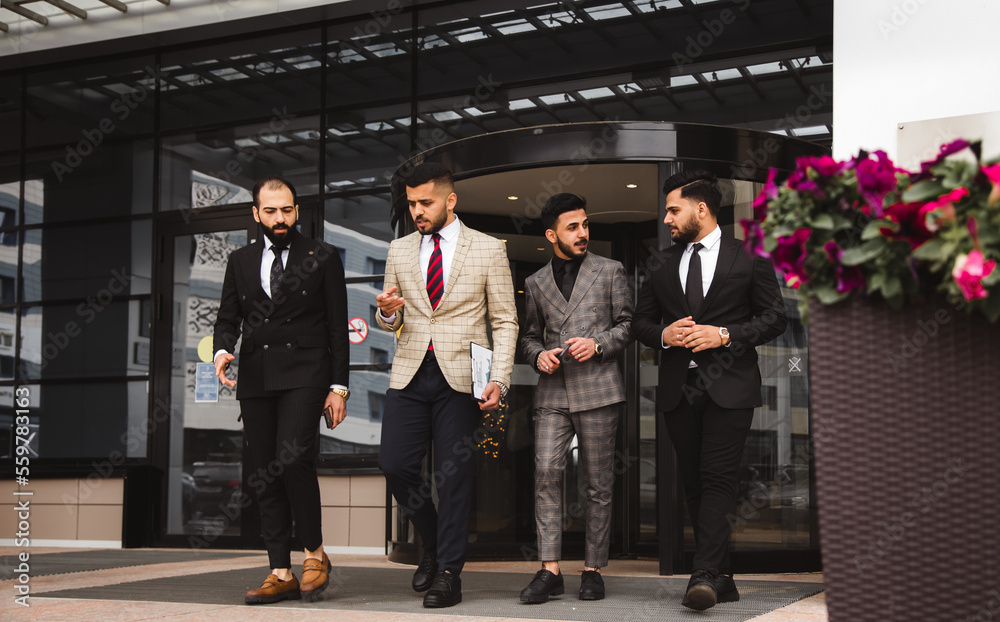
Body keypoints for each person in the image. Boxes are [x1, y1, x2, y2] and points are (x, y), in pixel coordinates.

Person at [633, 170, 787, 611]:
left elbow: (774, 317)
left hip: (730, 386)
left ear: (701, 209)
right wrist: (666, 335)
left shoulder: (750, 256)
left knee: (719, 477)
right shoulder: (660, 262)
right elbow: (642, 323)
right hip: (679, 389)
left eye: (673, 210)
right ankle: (724, 577)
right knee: (695, 483)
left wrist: (724, 334)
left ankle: (701, 575)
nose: (667, 219)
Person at [375, 162, 518, 608]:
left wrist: (500, 379)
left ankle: (449, 574)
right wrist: (386, 312)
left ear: (450, 200)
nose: (416, 210)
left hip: (461, 378)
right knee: (394, 463)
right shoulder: (399, 249)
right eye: (411, 203)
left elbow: (505, 320)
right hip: (410, 372)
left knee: (452, 477)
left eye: (425, 202)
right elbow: (391, 320)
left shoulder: (489, 249)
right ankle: (435, 545)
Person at [213, 176, 349, 605]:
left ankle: (314, 553)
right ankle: (279, 570)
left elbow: (336, 326)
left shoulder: (322, 256)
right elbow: (226, 317)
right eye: (270, 211)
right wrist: (221, 350)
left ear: (296, 210)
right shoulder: (239, 260)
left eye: (286, 210)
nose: (280, 218)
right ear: (256, 214)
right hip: (256, 375)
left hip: (307, 370)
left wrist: (339, 387)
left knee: (293, 457)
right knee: (263, 471)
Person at [517, 193, 633, 604]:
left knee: (598, 484)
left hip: (599, 388)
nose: (582, 233)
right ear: (552, 234)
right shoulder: (534, 283)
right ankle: (549, 569)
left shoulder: (611, 271)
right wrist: (538, 355)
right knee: (546, 473)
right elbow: (528, 338)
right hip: (552, 391)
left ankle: (593, 569)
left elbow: (627, 326)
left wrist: (598, 344)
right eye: (572, 227)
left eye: (585, 224)